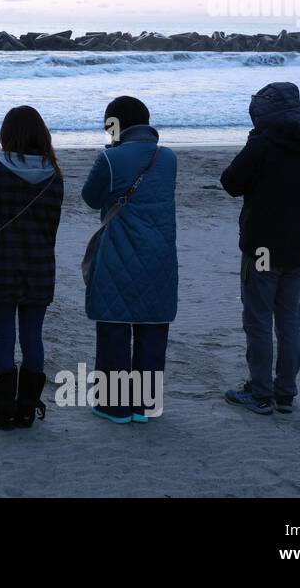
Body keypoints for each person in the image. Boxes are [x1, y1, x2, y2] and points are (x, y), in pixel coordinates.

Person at [220, 82, 300, 415]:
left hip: (262, 247)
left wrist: (255, 148)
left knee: (258, 320)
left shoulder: (263, 145)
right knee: (288, 320)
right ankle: (285, 392)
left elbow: (230, 182)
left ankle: (261, 393)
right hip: (297, 248)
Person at [81, 96, 178, 424]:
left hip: (119, 251)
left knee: (115, 326)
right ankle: (146, 404)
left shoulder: (110, 159)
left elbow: (90, 198)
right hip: (161, 254)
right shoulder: (168, 158)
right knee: (152, 326)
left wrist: (109, 154)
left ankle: (114, 406)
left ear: (115, 125)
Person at [0, 106, 63, 430]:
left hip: (2, 265)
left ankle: (3, 407)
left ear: (7, 134)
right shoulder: (54, 176)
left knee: (3, 337)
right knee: (33, 337)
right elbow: (52, 226)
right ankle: (26, 407)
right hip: (39, 265)